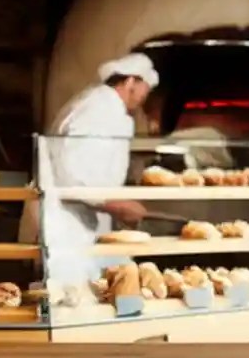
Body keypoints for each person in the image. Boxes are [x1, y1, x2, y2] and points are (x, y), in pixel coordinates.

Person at [21, 53, 158, 285]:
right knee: (65, 301)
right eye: (146, 86)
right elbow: (74, 174)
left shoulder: (107, 108)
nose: (145, 96)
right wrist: (117, 206)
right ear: (130, 82)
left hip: (81, 227)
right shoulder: (98, 108)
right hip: (65, 226)